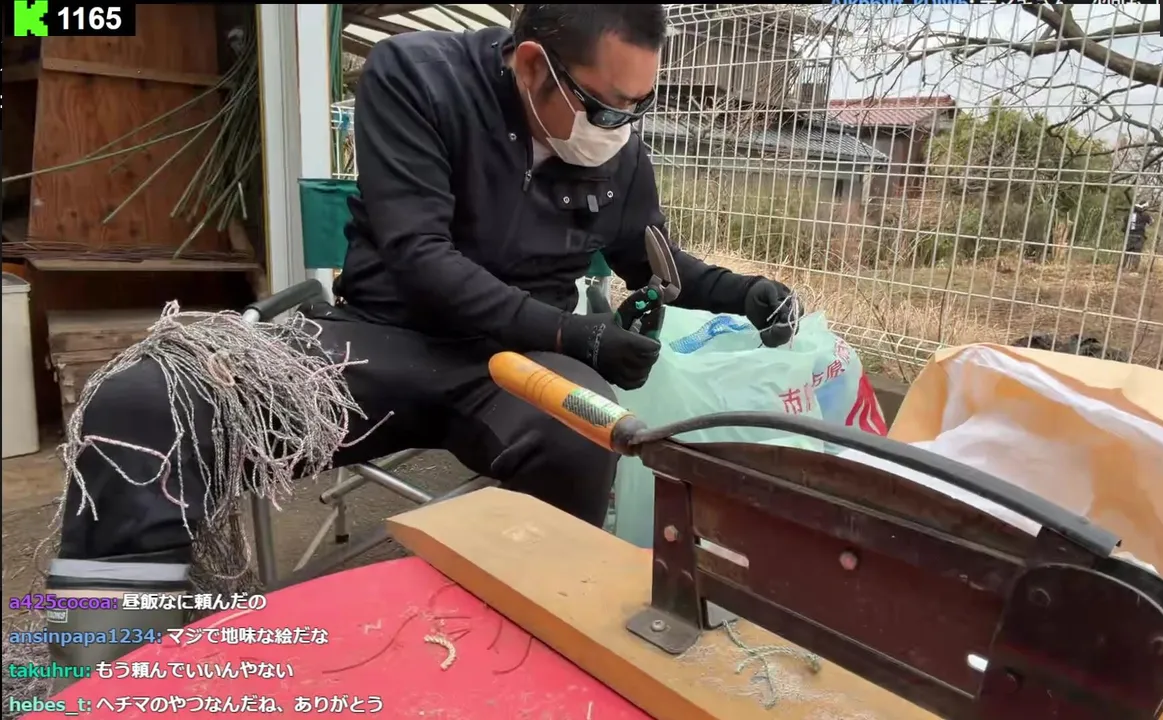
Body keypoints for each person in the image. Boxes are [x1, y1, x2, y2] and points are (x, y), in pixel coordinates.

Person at [46, 4, 800, 682]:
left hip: (513, 366)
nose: (620, 127)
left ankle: (517, 655)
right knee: (144, 405)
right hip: (381, 338)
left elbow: (651, 254)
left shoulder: (616, 146)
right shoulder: (418, 77)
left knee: (579, 430)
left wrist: (743, 294)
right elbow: (421, 257)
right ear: (531, 65)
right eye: (606, 105)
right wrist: (575, 334)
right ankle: (113, 680)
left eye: (639, 107)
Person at [1123, 201, 1153, 272]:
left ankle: (1120, 268)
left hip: (1128, 235)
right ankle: (1133, 270)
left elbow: (1124, 221)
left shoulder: (1129, 214)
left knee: (1125, 253)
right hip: (1139, 236)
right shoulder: (1145, 215)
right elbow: (1151, 222)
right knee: (1137, 253)